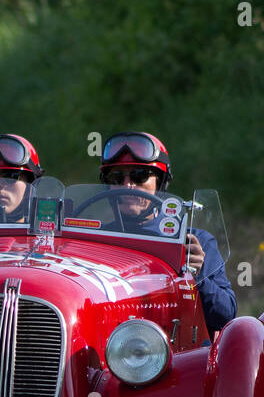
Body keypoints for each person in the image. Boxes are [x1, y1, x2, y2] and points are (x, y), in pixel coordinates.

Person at [99, 131, 237, 332]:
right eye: (117, 178)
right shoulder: (94, 238)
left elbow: (225, 317)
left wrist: (196, 275)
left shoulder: (193, 242)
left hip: (173, 352)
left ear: (160, 183)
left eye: (139, 176)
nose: (127, 185)